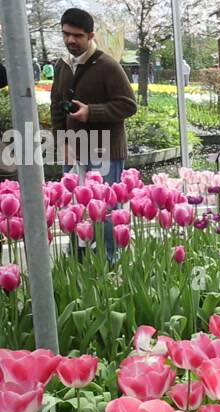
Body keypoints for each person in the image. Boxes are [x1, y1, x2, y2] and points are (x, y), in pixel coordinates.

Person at [51, 7, 137, 266]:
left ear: (90, 35)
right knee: (74, 206)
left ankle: (108, 258)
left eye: (77, 36)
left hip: (105, 151)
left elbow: (128, 105)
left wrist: (92, 112)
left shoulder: (107, 65)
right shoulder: (62, 65)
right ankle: (78, 254)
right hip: (75, 149)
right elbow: (57, 106)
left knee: (107, 209)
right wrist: (62, 142)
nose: (70, 41)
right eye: (66, 34)